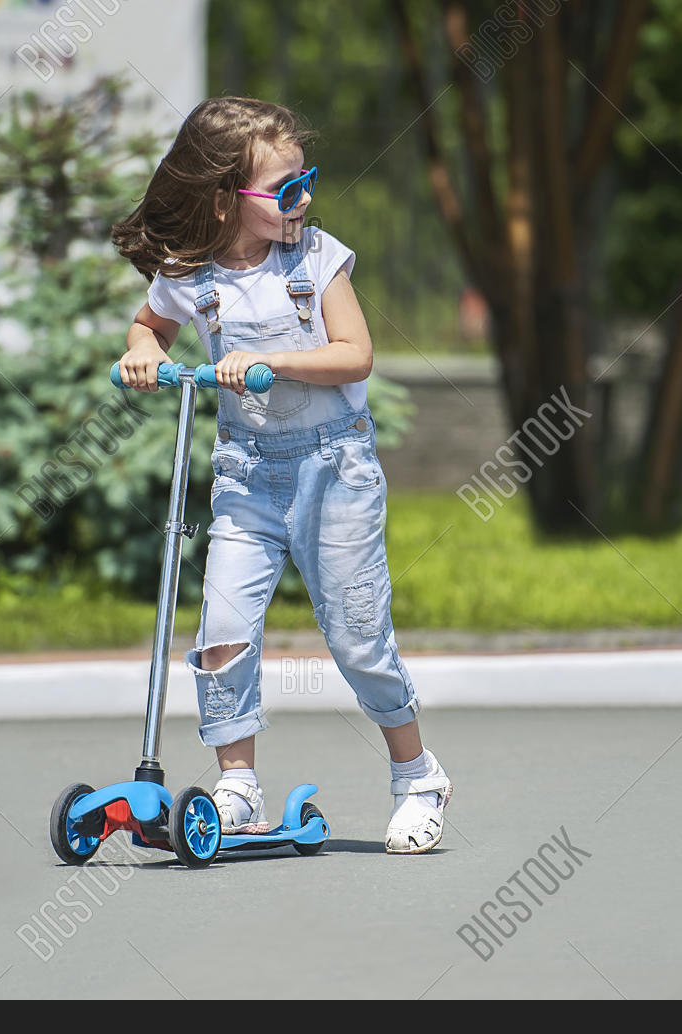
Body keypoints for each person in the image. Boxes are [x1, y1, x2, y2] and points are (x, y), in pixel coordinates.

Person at [110, 97, 451, 854]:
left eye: (307, 180)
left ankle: (418, 775)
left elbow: (355, 354)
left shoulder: (315, 259)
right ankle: (237, 786)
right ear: (226, 196)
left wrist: (274, 362)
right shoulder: (188, 273)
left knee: (359, 638)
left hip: (334, 469)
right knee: (223, 630)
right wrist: (145, 350)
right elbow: (151, 324)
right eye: (284, 188)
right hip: (245, 474)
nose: (302, 199)